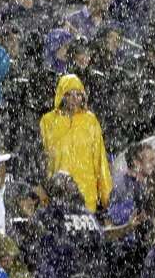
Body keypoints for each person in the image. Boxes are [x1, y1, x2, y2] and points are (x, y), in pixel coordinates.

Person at [39, 73, 111, 212]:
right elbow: (43, 159)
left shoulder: (91, 121)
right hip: (58, 196)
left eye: (78, 94)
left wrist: (106, 197)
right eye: (69, 94)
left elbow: (100, 161)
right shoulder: (48, 121)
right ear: (61, 95)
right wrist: (45, 196)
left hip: (86, 197)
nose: (74, 99)